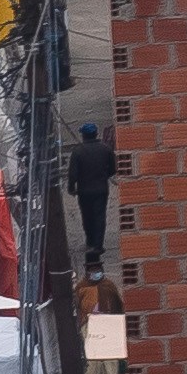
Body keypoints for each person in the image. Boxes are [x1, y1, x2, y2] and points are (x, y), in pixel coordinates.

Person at [70, 117, 117, 273]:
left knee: (87, 216)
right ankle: (98, 245)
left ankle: (90, 241)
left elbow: (73, 173)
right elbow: (113, 169)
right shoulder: (105, 149)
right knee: (99, 216)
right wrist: (103, 176)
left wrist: (71, 187)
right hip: (101, 189)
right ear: (96, 134)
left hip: (84, 191)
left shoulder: (77, 151)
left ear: (83, 136)